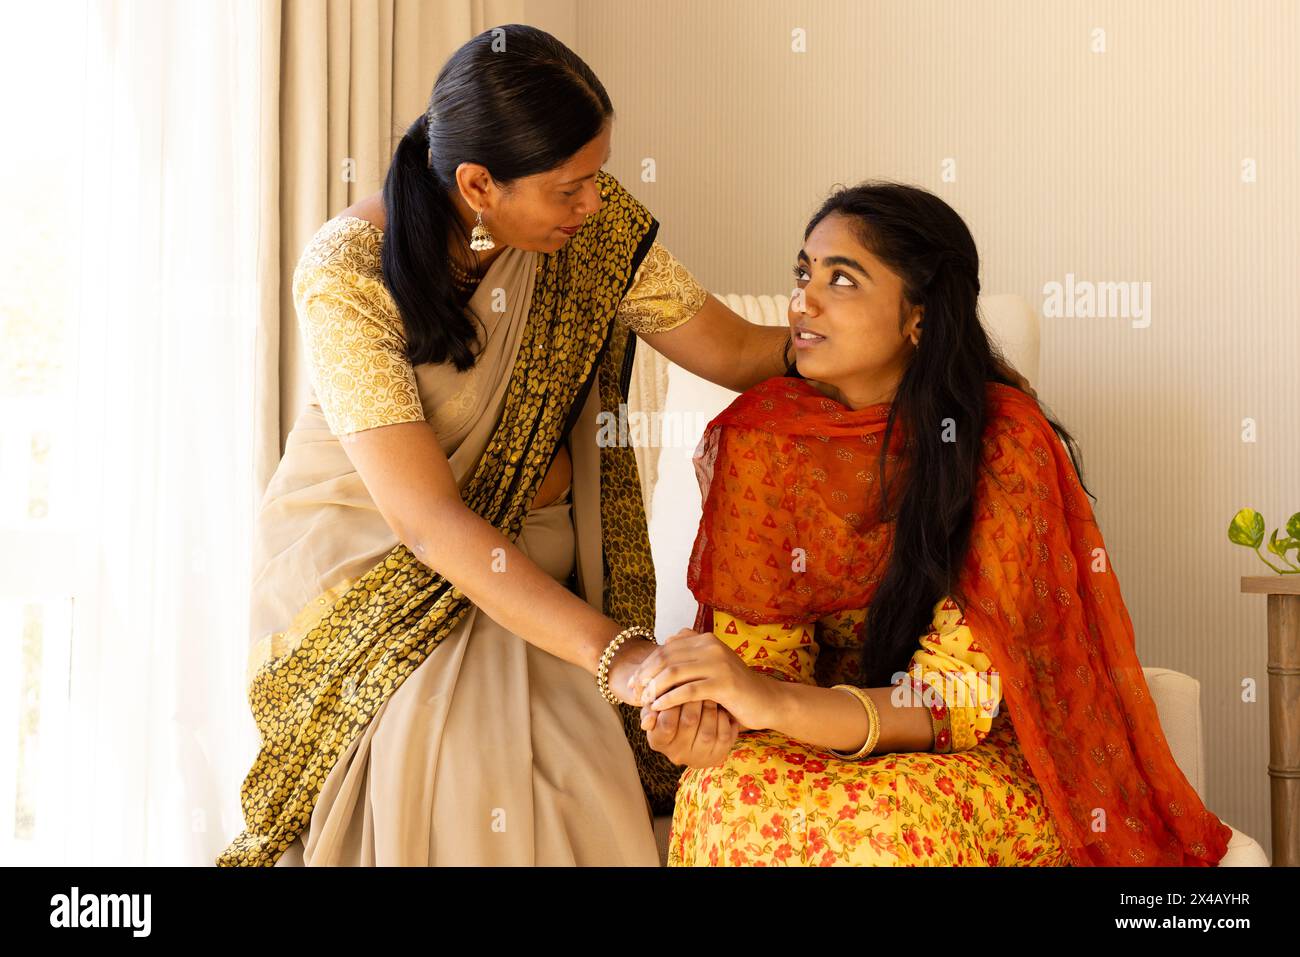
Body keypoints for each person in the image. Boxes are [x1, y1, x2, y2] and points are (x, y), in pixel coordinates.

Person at [630, 181, 1235, 866]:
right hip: (806, 735)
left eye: (842, 280)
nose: (804, 301)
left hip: (971, 749)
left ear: (918, 316)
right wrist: (700, 720)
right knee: (723, 795)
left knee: (882, 829)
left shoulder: (1004, 444)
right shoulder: (764, 438)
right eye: (803, 273)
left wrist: (763, 700)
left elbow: (952, 700)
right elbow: (762, 667)